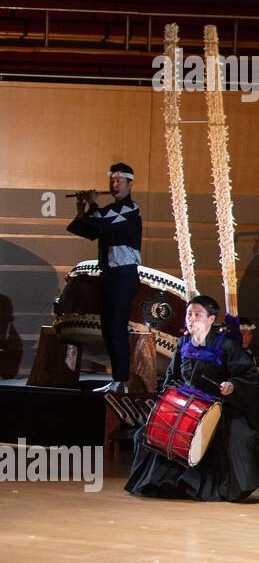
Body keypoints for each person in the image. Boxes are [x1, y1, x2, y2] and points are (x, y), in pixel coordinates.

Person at [125, 295, 259, 502]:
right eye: (189, 314)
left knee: (243, 437)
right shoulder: (183, 343)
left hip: (219, 406)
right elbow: (172, 377)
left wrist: (232, 385)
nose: (192, 319)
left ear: (211, 319)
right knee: (145, 433)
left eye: (198, 314)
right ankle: (168, 484)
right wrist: (172, 400)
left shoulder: (227, 346)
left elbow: (248, 376)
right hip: (188, 407)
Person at [66, 162, 142, 393]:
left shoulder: (129, 209)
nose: (114, 184)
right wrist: (82, 208)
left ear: (130, 184)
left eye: (119, 180)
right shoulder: (111, 210)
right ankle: (117, 380)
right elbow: (88, 229)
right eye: (112, 180)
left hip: (124, 276)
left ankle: (122, 381)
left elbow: (100, 222)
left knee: (116, 328)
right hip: (110, 276)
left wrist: (92, 205)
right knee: (109, 329)